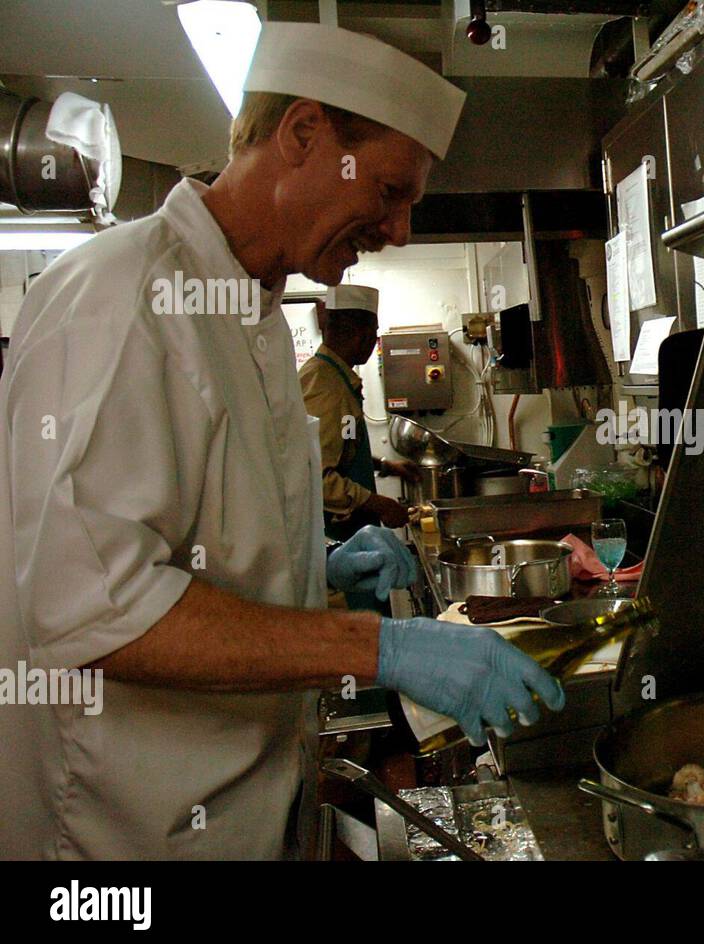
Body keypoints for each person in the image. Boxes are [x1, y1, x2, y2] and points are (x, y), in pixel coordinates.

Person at [0, 22, 562, 860]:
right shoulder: (124, 301)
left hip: (247, 817)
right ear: (304, 135)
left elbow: (184, 550)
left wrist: (308, 569)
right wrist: (381, 644)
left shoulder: (252, 312)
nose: (402, 229)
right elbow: (93, 616)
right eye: (389, 190)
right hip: (123, 842)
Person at [299, 285, 419, 538]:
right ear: (362, 336)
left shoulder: (335, 377)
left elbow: (341, 448)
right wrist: (379, 504)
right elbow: (314, 476)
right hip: (335, 536)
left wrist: (385, 465)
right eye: (374, 334)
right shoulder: (327, 388)